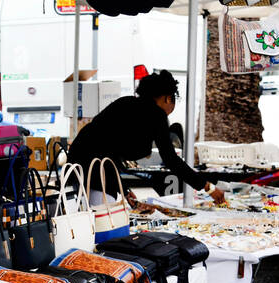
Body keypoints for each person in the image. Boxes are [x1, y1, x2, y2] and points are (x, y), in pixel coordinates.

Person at [67, 69, 225, 203]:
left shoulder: (124, 103)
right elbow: (171, 159)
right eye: (173, 100)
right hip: (94, 168)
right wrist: (208, 187)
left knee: (89, 215)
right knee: (101, 220)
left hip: (78, 160)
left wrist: (124, 190)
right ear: (167, 98)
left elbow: (108, 146)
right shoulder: (157, 115)